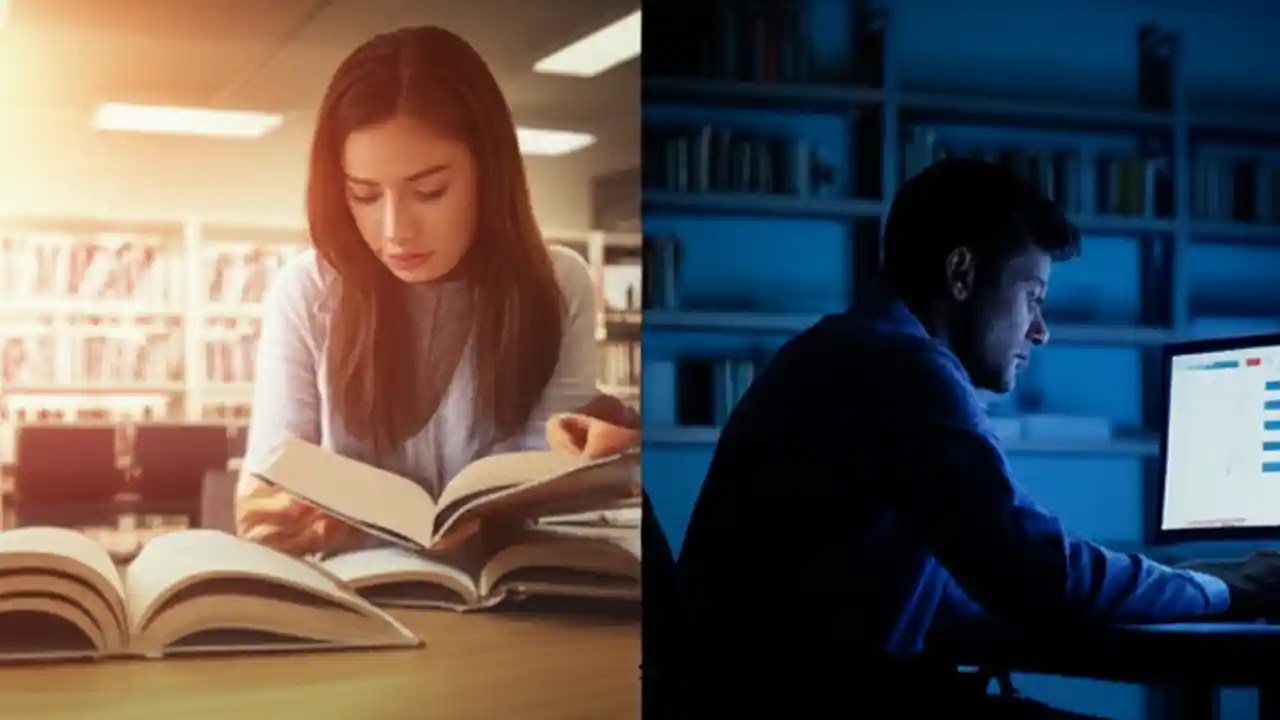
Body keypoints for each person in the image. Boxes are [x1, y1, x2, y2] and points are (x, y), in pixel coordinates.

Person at [673, 158, 1280, 717]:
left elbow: (968, 588)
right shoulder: (902, 368)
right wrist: (1223, 589)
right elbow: (1034, 573)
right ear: (961, 274)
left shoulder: (839, 350)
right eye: (1032, 297)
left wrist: (1187, 583)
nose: (1040, 330)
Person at [233, 25, 623, 556]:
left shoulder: (558, 286)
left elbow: (554, 482)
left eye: (430, 191)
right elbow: (269, 477)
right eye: (365, 196)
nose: (395, 231)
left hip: (511, 588)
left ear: (489, 174)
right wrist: (274, 516)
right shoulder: (307, 290)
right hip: (361, 591)